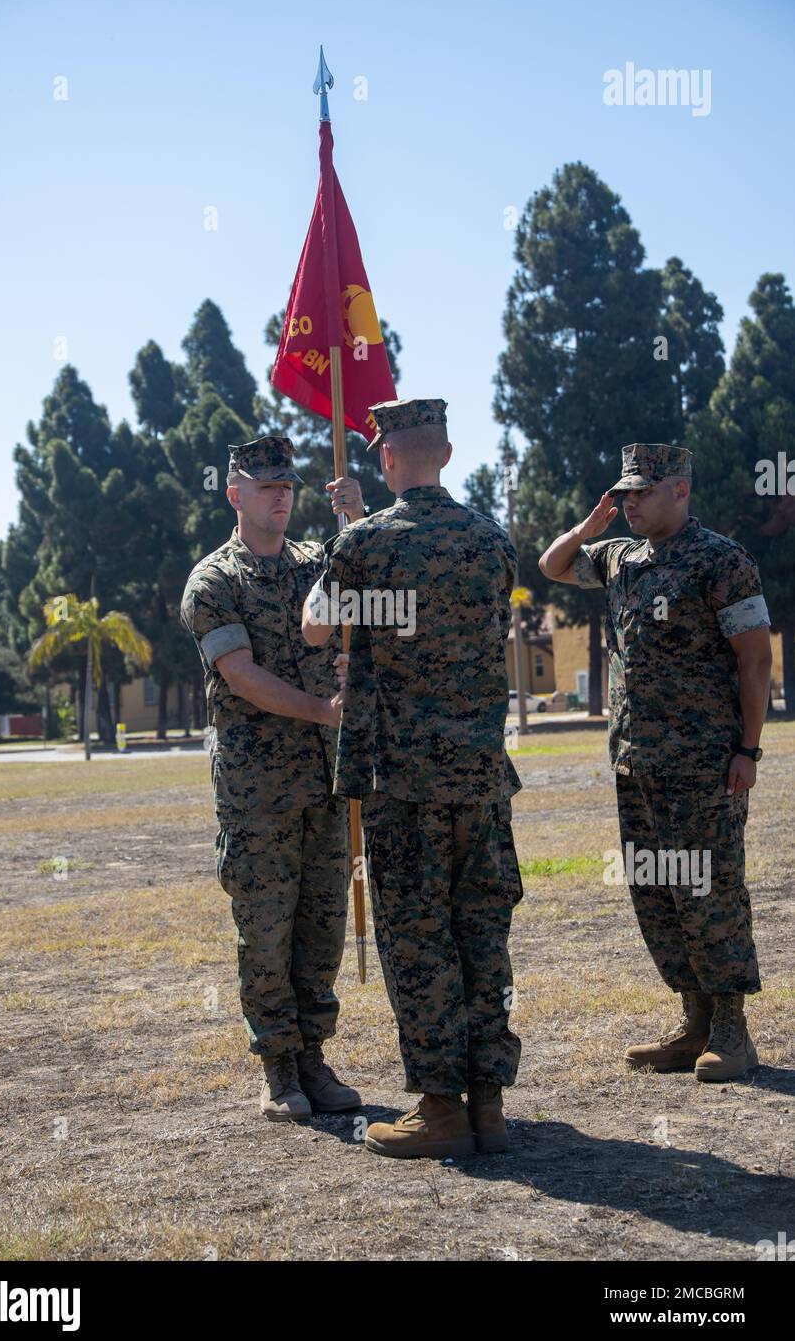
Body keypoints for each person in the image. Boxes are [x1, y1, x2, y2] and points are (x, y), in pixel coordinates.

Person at [302, 399, 524, 1159]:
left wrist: (348, 538)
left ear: (387, 458)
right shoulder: (492, 540)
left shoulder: (366, 545)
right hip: (483, 778)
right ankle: (489, 1104)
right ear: (449, 453)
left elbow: (314, 626)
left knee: (420, 940)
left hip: (405, 780)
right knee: (483, 937)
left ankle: (440, 1106)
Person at [539, 443, 773, 1082]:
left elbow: (755, 661)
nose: (630, 503)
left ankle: (733, 1031)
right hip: (635, 764)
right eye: (624, 493)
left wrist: (748, 750)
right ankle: (693, 1023)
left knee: (709, 888)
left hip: (705, 765)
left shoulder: (721, 560)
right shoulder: (619, 558)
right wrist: (587, 530)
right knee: (658, 893)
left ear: (681, 489)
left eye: (643, 491)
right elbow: (552, 565)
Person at [180, 435, 363, 1121]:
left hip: (325, 782)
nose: (280, 496)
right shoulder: (213, 581)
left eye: (287, 486)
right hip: (258, 793)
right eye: (265, 486)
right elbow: (243, 677)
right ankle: (277, 1066)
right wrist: (324, 710)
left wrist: (357, 521)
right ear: (235, 494)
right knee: (265, 928)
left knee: (323, 922)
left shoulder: (316, 564)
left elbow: (359, 595)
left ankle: (314, 1056)